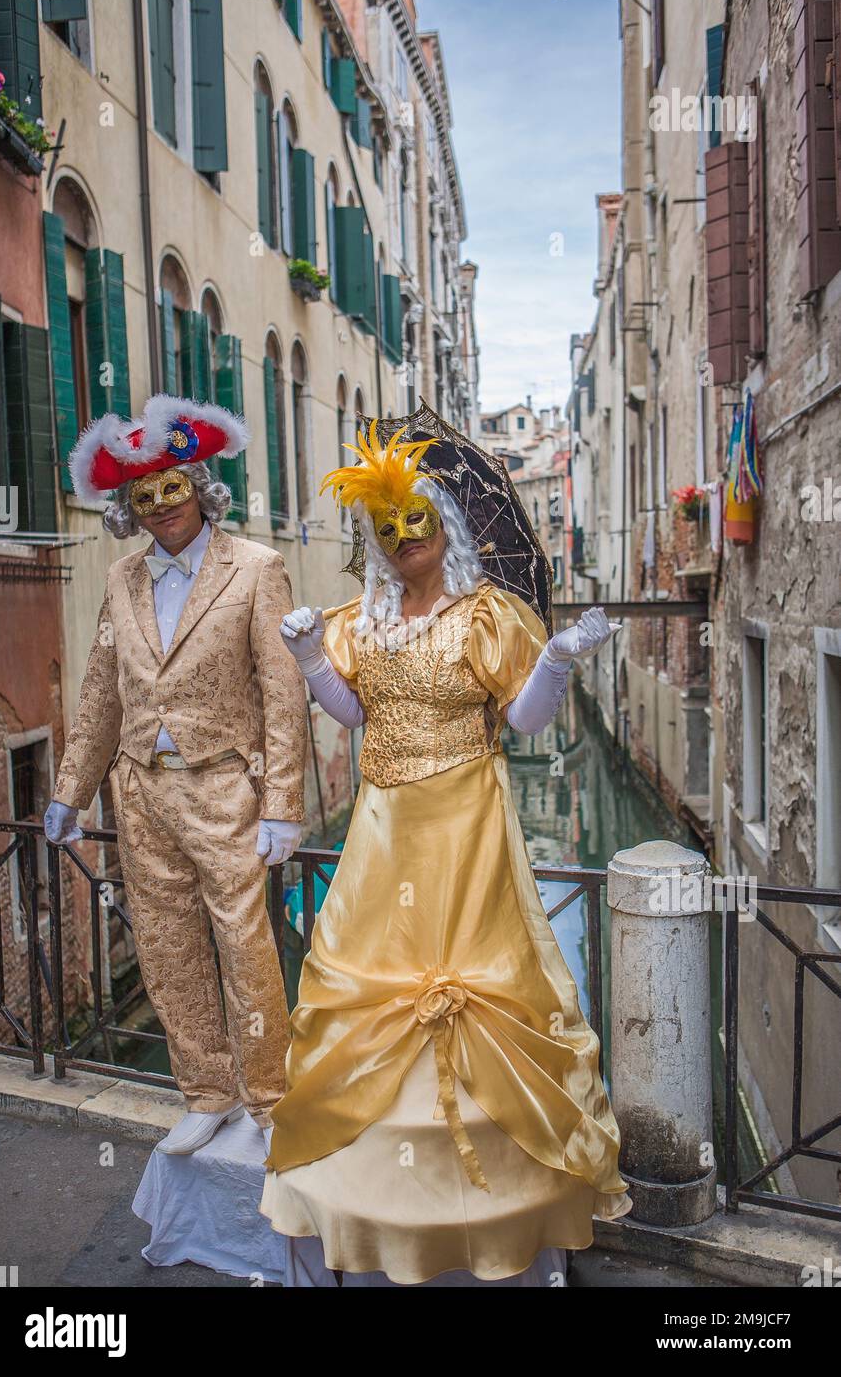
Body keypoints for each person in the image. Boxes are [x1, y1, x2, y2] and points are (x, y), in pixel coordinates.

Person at [259, 415, 632, 1287]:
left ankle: (506, 1200)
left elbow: (526, 722)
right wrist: (315, 656)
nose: (402, 540)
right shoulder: (360, 621)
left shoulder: (489, 616)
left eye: (416, 524)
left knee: (488, 972)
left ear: (445, 528)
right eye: (386, 529)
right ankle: (370, 1191)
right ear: (373, 538)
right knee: (362, 975)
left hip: (468, 824)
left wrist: (561, 661)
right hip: (383, 828)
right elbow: (351, 717)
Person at [43, 397, 307, 1155]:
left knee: (245, 942)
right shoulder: (120, 579)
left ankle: (269, 1098)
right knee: (164, 943)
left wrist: (283, 803)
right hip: (139, 791)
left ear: (200, 488)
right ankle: (207, 1091)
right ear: (128, 507)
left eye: (172, 489)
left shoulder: (257, 568)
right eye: (143, 496)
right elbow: (99, 692)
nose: (161, 507)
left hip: (225, 786)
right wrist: (69, 791)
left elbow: (283, 693)